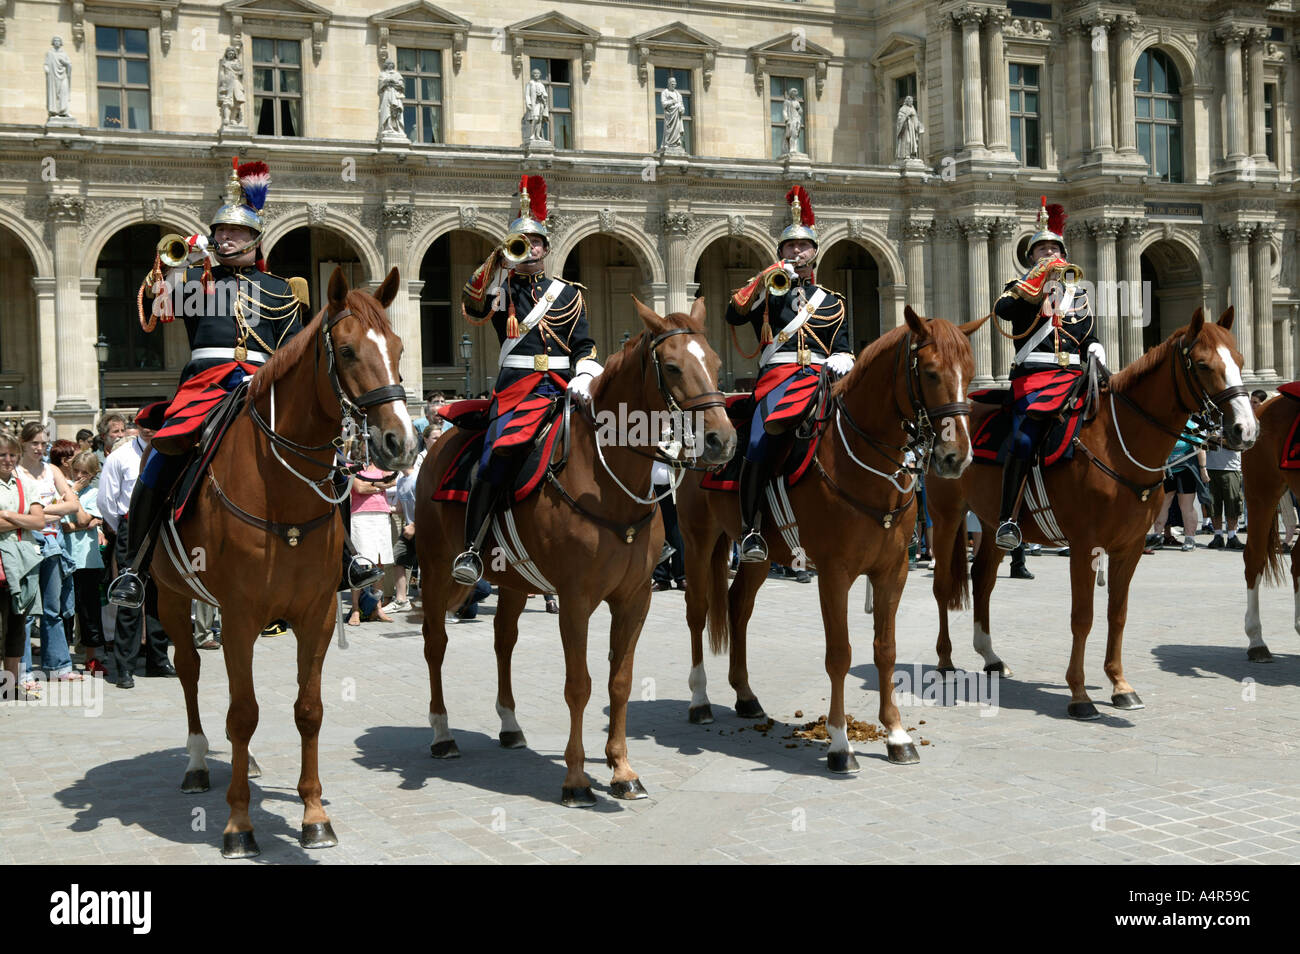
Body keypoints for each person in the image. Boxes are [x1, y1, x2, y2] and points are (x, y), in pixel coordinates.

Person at [107, 159, 384, 609]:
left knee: (327, 464)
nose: (225, 239)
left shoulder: (281, 289)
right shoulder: (196, 280)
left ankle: (347, 557)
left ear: (256, 240)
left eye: (235, 234)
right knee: (162, 456)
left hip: (263, 384)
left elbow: (295, 350)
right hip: (206, 385)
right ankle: (136, 569)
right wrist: (174, 267)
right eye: (219, 232)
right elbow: (156, 312)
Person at [451, 174, 599, 584]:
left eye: (535, 242)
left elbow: (584, 343)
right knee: (495, 455)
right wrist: (497, 262)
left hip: (564, 386)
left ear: (547, 248)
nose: (529, 248)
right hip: (518, 390)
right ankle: (471, 549)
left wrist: (585, 372)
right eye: (522, 243)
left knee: (616, 437)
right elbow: (473, 305)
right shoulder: (501, 288)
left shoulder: (569, 293)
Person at [725, 186, 854, 562]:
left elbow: (842, 341)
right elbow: (733, 315)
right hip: (778, 380)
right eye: (789, 247)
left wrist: (845, 356)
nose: (797, 252)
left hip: (822, 379)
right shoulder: (769, 291)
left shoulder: (832, 301)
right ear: (780, 253)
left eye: (803, 247)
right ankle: (750, 530)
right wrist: (764, 283)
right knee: (757, 442)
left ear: (815, 254)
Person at [992, 198, 1100, 549]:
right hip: (1035, 377)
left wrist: (1095, 347)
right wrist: (1034, 286)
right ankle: (1007, 518)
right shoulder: (1018, 287)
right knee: (1023, 441)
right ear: (1032, 256)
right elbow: (1004, 312)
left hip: (1074, 376)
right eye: (1042, 248)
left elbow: (1087, 332)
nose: (1049, 253)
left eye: (1054, 248)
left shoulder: (1079, 293)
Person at [100, 402, 174, 687]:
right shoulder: (119, 457)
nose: (151, 432)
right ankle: (124, 667)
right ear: (139, 427)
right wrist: (124, 531)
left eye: (156, 427)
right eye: (146, 427)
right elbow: (107, 501)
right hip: (132, 528)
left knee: (161, 595)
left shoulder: (171, 452)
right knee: (130, 596)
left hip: (163, 528)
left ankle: (158, 659)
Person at [17, 424, 81, 681]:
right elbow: (16, 508)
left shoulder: (51, 469)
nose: (39, 448)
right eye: (34, 443)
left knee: (53, 609)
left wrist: (40, 512)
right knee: (26, 610)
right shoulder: (16, 471)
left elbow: (73, 503)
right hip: (26, 543)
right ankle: (23, 671)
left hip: (54, 544)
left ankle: (58, 666)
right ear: (22, 443)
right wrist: (53, 509)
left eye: (43, 443)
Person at [0, 430, 47, 700]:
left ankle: (10, 685)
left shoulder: (25, 484)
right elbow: (29, 520)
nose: (8, 459)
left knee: (18, 624)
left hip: (21, 561)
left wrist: (6, 514)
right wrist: (21, 518)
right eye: (2, 455)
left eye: (12, 454)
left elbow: (39, 522)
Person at [61, 450, 107, 674]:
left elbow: (81, 519)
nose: (79, 476)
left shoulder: (94, 493)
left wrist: (74, 496)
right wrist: (73, 524)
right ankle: (62, 657)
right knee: (64, 612)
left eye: (85, 473)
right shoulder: (63, 489)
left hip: (87, 561)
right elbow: (57, 522)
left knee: (89, 611)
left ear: (93, 474)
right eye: (76, 471)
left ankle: (91, 657)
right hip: (63, 557)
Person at [347, 465, 396, 625]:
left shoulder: (384, 465)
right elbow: (359, 487)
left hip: (381, 515)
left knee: (380, 564)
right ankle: (355, 609)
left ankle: (378, 607)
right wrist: (379, 484)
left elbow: (392, 481)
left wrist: (371, 484)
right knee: (359, 564)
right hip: (361, 516)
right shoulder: (352, 466)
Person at [1205, 439, 1244, 550]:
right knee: (1213, 504)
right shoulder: (1208, 423)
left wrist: (1216, 440)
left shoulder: (1234, 423)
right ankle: (1218, 535)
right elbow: (1202, 442)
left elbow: (1240, 444)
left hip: (1231, 468)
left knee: (1233, 504)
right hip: (1210, 468)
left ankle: (1232, 536)